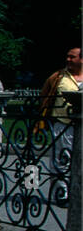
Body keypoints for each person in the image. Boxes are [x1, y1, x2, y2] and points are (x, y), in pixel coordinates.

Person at [36, 45, 81, 186]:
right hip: (63, 124)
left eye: (72, 57)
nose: (68, 59)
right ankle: (60, 193)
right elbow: (44, 96)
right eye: (67, 56)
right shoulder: (58, 76)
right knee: (61, 159)